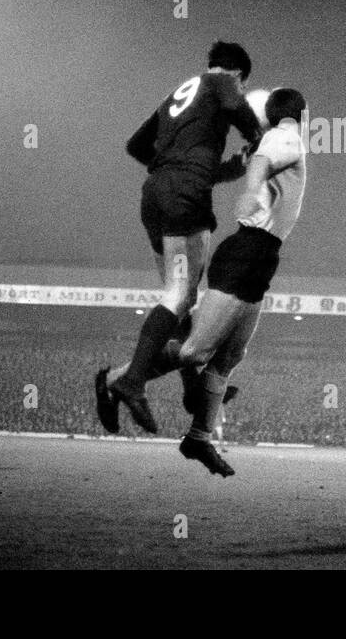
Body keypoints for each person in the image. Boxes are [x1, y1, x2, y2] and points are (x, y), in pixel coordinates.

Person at [108, 88, 307, 477]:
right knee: (193, 353)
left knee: (230, 357)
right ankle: (120, 379)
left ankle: (198, 437)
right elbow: (262, 161)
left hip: (261, 259)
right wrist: (251, 191)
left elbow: (251, 160)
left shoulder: (277, 138)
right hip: (246, 254)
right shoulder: (287, 135)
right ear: (300, 113)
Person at [96, 41, 263, 435]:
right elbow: (244, 117)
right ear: (236, 73)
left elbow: (136, 146)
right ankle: (129, 381)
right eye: (240, 84)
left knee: (183, 301)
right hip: (185, 197)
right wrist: (260, 138)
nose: (238, 91)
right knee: (179, 295)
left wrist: (205, 168)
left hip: (155, 194)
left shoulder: (178, 95)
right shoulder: (220, 81)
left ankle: (191, 392)